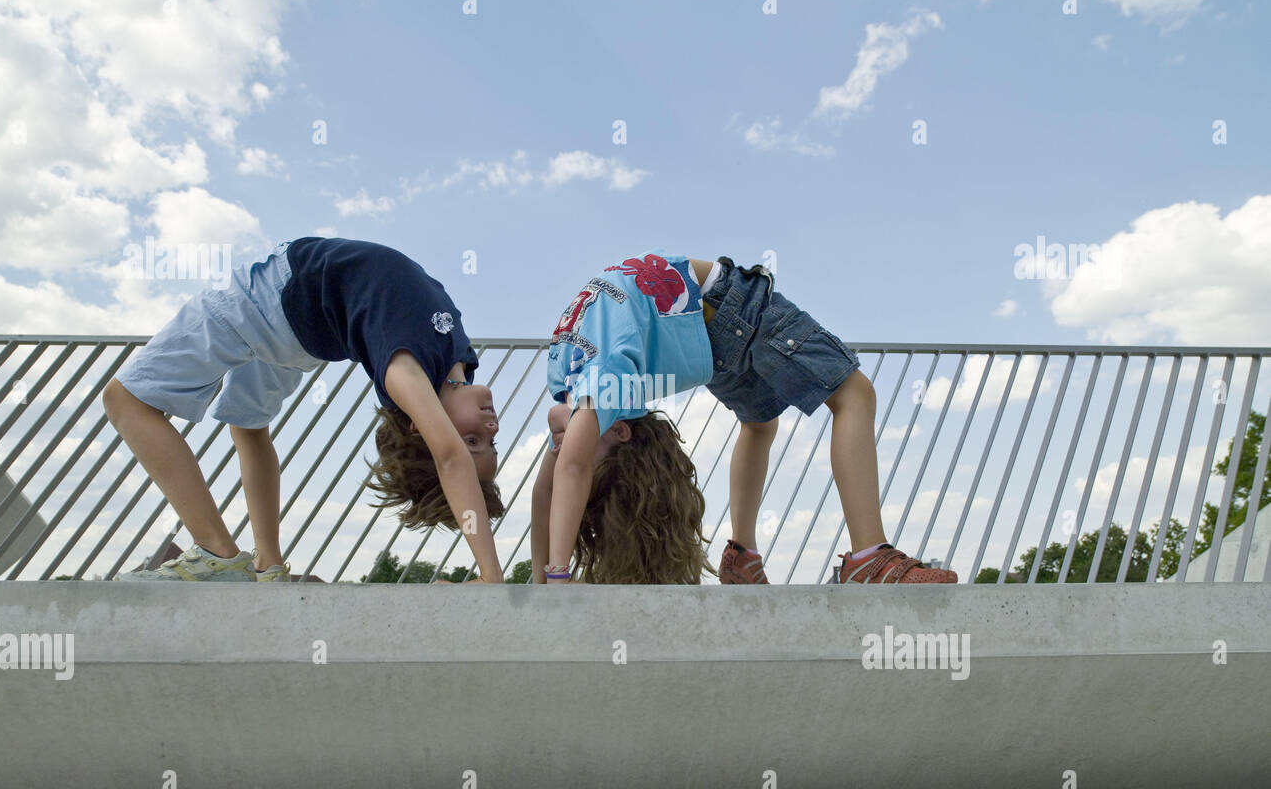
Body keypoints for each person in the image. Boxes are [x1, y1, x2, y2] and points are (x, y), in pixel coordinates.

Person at [530, 251, 958, 585]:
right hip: (726, 307)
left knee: (759, 423)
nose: (574, 447)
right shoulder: (593, 391)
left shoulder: (577, 400)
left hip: (701, 330)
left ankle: (742, 556)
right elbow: (566, 472)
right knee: (854, 394)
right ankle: (870, 556)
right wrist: (553, 575)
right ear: (620, 430)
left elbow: (555, 481)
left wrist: (547, 578)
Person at [103, 237, 504, 583]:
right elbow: (453, 460)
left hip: (268, 300)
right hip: (304, 332)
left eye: (473, 440)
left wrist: (491, 577)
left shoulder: (407, 374)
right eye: (492, 441)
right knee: (249, 426)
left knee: (124, 400)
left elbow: (450, 460)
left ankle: (215, 551)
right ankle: (269, 563)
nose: (490, 424)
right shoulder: (460, 360)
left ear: (422, 426)